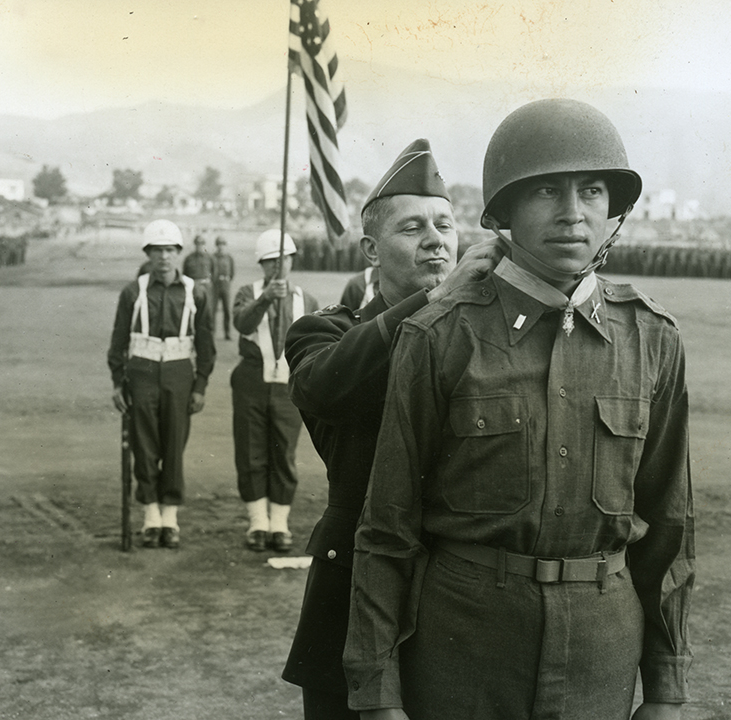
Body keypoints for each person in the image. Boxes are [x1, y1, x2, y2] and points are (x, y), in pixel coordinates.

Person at [344, 100, 694, 720]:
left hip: (601, 655)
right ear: (503, 212)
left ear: (612, 208)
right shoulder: (438, 337)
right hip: (464, 652)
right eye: (545, 192)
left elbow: (669, 526)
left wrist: (667, 688)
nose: (572, 213)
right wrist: (377, 698)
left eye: (591, 190)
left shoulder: (652, 339)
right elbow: (387, 528)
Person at [281, 138, 503, 719]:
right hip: (354, 585)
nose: (436, 239)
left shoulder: (484, 337)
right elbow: (326, 385)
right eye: (412, 228)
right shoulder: (321, 332)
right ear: (371, 250)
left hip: (459, 592)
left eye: (446, 224)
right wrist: (437, 299)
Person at [107, 219, 216, 550]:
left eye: (169, 250)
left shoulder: (195, 292)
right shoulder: (133, 292)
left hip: (179, 374)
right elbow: (118, 340)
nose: (164, 257)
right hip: (140, 374)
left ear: (179, 253)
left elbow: (207, 345)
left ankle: (170, 517)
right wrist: (117, 382)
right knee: (144, 446)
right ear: (148, 254)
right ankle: (151, 516)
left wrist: (200, 386)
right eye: (157, 251)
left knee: (173, 445)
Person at [231, 229, 319, 552]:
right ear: (261, 264)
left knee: (283, 452)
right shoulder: (247, 291)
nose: (277, 268)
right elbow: (241, 323)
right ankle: (258, 521)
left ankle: (279, 523)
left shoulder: (305, 300)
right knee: (251, 450)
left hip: (287, 386)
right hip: (252, 381)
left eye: (282, 260)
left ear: (292, 261)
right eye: (269, 262)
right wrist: (266, 297)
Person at [211, 235, 236, 340]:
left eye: (223, 244)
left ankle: (227, 333)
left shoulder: (229, 257)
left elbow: (232, 273)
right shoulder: (213, 257)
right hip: (215, 285)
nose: (221, 247)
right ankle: (212, 332)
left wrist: (226, 280)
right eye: (219, 244)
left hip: (225, 285)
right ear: (216, 245)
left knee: (227, 310)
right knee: (213, 310)